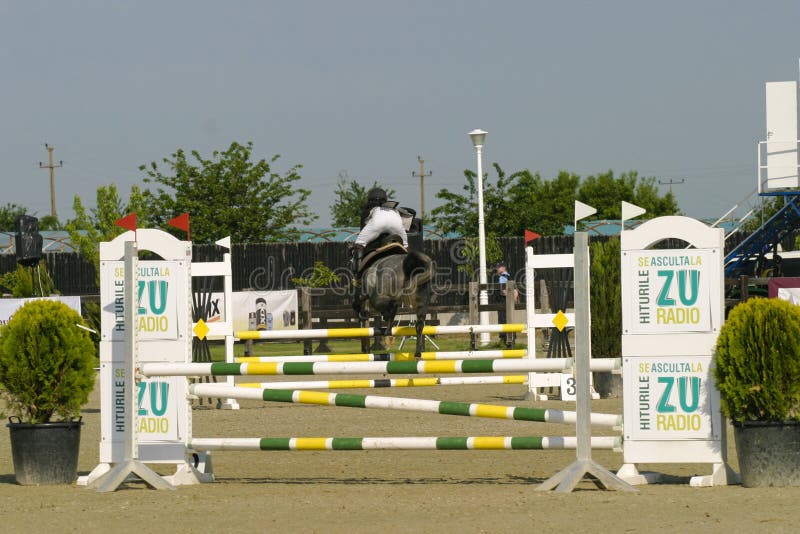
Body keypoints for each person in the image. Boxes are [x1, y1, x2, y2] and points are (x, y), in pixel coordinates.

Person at [351, 187, 409, 319]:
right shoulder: (393, 209)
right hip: (397, 224)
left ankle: (357, 276)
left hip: (378, 224)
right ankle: (410, 274)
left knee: (359, 244)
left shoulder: (369, 208)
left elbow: (364, 229)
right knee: (406, 248)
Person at [494, 261, 518, 346]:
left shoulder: (502, 277)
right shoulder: (510, 277)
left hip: (503, 301)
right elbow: (515, 290)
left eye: (498, 267)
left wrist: (508, 295)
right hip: (510, 302)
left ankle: (504, 339)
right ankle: (512, 337)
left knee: (503, 319)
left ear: (503, 268)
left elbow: (503, 291)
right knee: (510, 319)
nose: (497, 269)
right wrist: (514, 299)